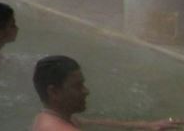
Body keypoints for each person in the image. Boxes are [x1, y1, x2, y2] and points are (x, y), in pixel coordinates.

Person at [30, 55, 180, 130]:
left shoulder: (46, 118)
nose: (86, 91)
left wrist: (147, 125)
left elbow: (88, 122)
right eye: (77, 86)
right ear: (54, 92)